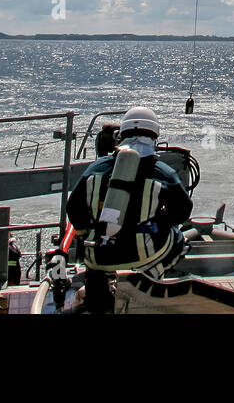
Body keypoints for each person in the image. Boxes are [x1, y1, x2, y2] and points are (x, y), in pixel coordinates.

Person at [65, 106, 193, 312]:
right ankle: (154, 281)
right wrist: (158, 223)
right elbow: (182, 210)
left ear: (120, 136)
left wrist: (85, 232)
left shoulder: (95, 169)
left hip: (98, 257)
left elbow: (73, 208)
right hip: (143, 257)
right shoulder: (163, 173)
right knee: (179, 238)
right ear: (154, 136)